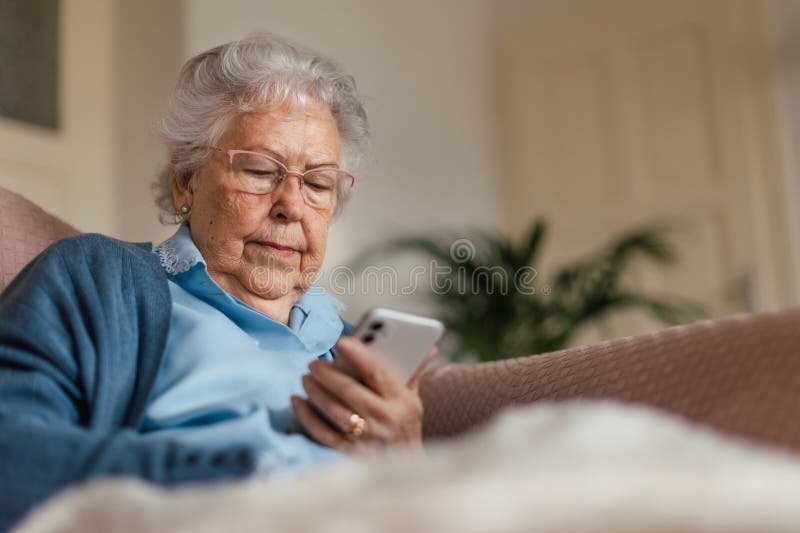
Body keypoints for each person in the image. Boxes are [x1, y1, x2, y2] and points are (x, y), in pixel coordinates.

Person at [0, 34, 432, 530]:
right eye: (260, 170)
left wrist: (408, 459)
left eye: (318, 183)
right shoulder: (97, 278)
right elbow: (12, 453)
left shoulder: (352, 345)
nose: (291, 205)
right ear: (186, 179)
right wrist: (262, 479)